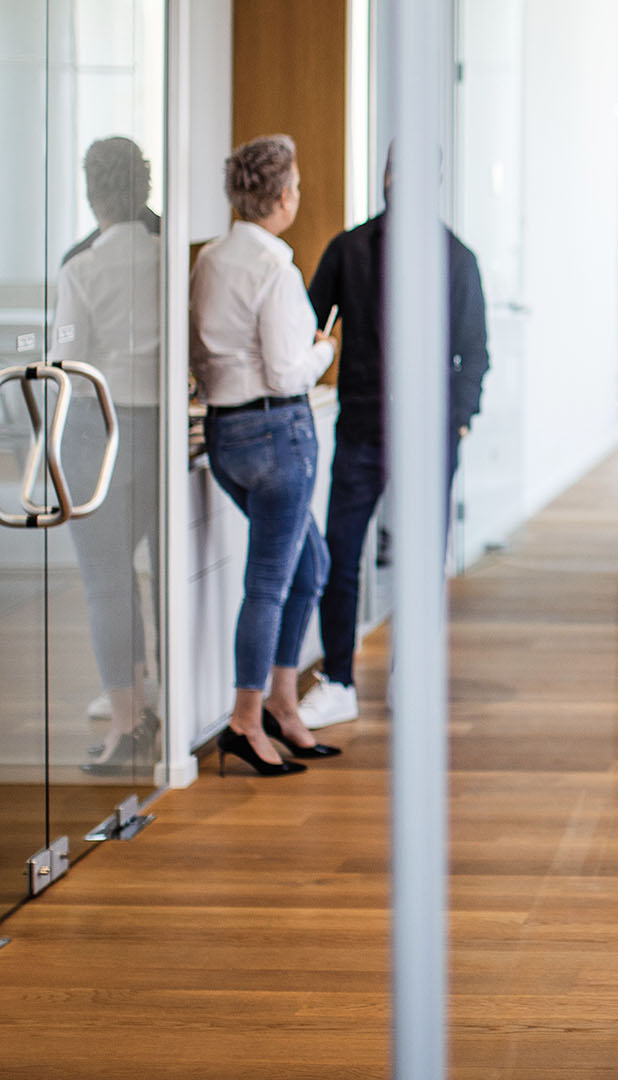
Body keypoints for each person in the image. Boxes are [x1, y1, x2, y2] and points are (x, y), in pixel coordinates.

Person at [298, 149, 490, 730]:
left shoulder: (456, 259)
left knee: (422, 561)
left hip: (430, 436)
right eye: (393, 172)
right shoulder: (349, 249)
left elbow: (474, 353)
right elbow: (306, 325)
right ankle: (338, 679)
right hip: (362, 428)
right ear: (384, 178)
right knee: (341, 555)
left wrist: (458, 420)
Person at [188, 134, 343, 777]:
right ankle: (246, 720)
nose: (297, 196)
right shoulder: (275, 267)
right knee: (271, 583)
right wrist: (325, 349)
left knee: (311, 565)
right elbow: (285, 372)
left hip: (226, 432)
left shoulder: (209, 259)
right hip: (277, 433)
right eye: (297, 187)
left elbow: (203, 354)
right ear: (282, 198)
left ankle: (281, 703)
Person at [51, 136, 163, 774]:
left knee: (106, 583)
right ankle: (144, 707)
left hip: (98, 430)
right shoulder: (168, 258)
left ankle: (125, 727)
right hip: (156, 431)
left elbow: (65, 361)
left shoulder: (82, 268)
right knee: (137, 574)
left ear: (93, 193)